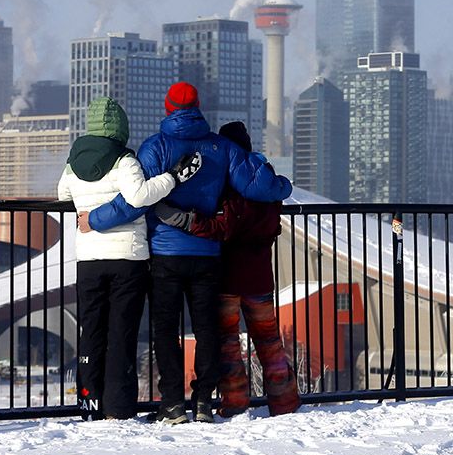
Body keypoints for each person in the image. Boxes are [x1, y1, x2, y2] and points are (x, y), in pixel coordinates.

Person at [81, 82, 293, 424]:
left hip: (165, 254)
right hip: (208, 254)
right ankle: (205, 400)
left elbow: (134, 201)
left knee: (165, 329)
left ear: (167, 108)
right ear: (198, 106)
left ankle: (172, 404)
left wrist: (95, 219)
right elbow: (258, 186)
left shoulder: (155, 147)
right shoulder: (221, 147)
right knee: (207, 328)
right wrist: (284, 185)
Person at [56, 96, 202, 421]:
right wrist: (171, 179)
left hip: (89, 258)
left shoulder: (74, 162)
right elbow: (137, 197)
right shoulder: (125, 160)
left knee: (91, 330)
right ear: (121, 127)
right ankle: (118, 408)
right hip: (127, 259)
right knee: (121, 332)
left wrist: (87, 203)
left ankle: (88, 403)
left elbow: (62, 194)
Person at [155, 120, 300, 418]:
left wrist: (188, 221)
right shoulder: (268, 185)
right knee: (270, 343)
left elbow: (223, 229)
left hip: (229, 278)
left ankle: (234, 402)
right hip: (260, 277)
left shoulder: (232, 187)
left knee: (229, 344)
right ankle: (285, 403)